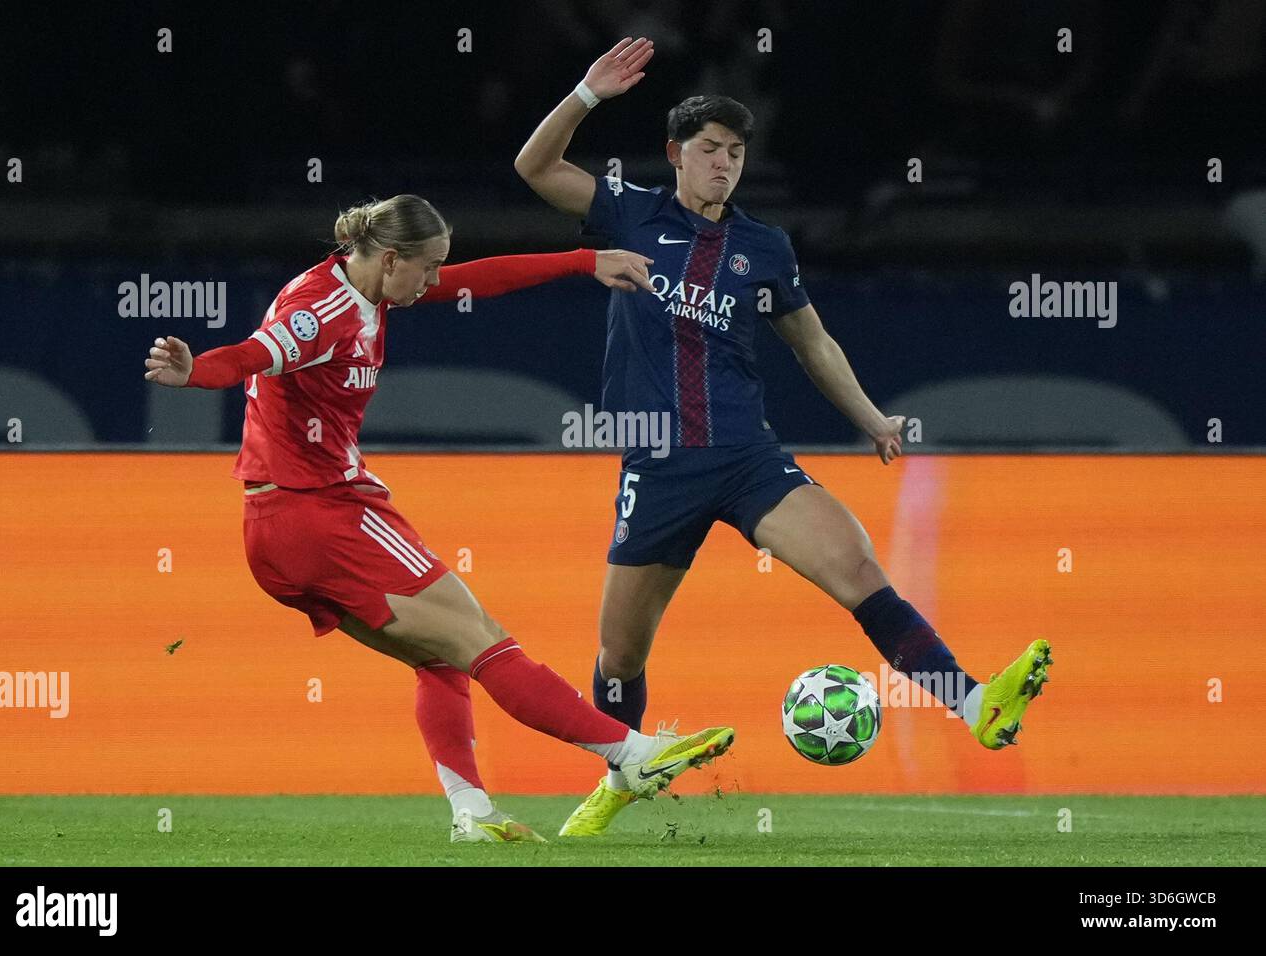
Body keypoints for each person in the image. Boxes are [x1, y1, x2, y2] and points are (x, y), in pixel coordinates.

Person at [514, 38, 1052, 837]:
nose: (723, 165)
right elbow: (533, 167)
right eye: (708, 151)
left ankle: (976, 703)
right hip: (658, 465)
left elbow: (812, 343)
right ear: (676, 155)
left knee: (858, 567)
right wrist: (589, 94)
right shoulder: (629, 210)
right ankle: (620, 770)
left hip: (747, 457)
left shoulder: (764, 247)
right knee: (620, 656)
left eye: (735, 152)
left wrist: (870, 419)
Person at [143, 194, 734, 843]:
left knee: (441, 659)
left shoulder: (366, 284)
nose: (433, 284)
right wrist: (195, 370)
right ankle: (631, 754)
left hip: (279, 525)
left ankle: (473, 815)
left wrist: (582, 260)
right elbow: (252, 354)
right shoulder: (323, 312)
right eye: (426, 270)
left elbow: (475, 280)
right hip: (320, 514)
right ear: (392, 258)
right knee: (483, 639)